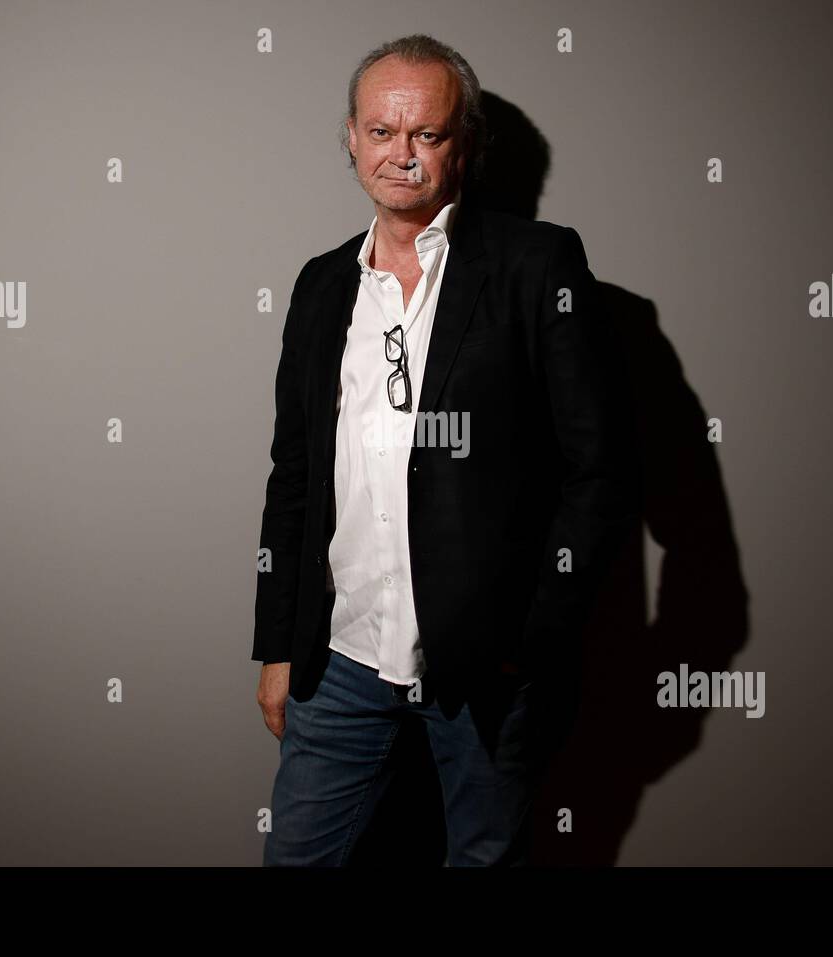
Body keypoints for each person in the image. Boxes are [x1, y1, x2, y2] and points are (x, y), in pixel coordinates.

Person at [253, 33, 631, 866]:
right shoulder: (321, 284)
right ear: (350, 137)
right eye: (382, 132)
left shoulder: (539, 265)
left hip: (485, 669)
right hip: (341, 657)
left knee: (484, 861)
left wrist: (534, 640)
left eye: (427, 134)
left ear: (465, 146)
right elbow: (295, 475)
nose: (402, 155)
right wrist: (279, 644)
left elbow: (598, 471)